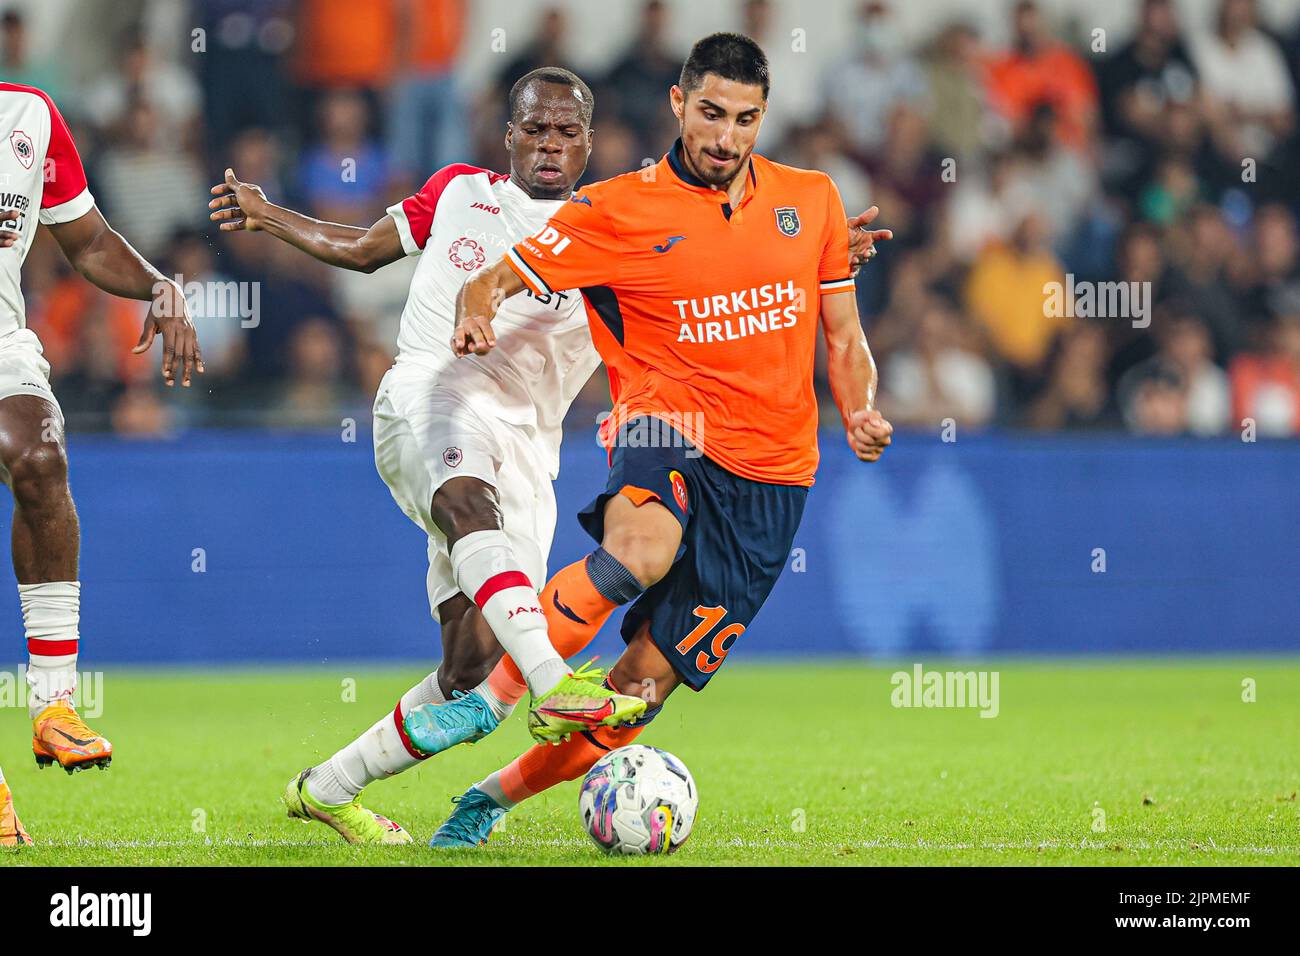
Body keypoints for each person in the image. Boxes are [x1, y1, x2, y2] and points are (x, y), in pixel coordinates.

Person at [209, 64, 885, 845]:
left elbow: (717, 272)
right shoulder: (460, 190)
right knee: (470, 507)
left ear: (589, 141)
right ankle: (556, 684)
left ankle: (327, 787)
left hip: (529, 444)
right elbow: (364, 249)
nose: (551, 144)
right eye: (535, 128)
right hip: (433, 391)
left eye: (567, 131)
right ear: (510, 136)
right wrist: (270, 216)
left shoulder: (616, 230)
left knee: (471, 664)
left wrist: (809, 257)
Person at [422, 32, 894, 847]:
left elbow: (843, 337)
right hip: (666, 420)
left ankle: (487, 801)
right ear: (679, 104)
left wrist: (858, 409)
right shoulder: (618, 208)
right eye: (710, 112)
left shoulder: (812, 200)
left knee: (640, 688)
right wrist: (476, 307)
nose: (725, 136)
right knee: (640, 548)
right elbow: (498, 273)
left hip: (775, 475)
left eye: (745, 119)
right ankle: (487, 698)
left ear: (763, 117)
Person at [0, 83, 201, 847]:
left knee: (42, 458)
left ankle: (54, 706)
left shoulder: (30, 116)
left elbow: (85, 241)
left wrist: (158, 283)